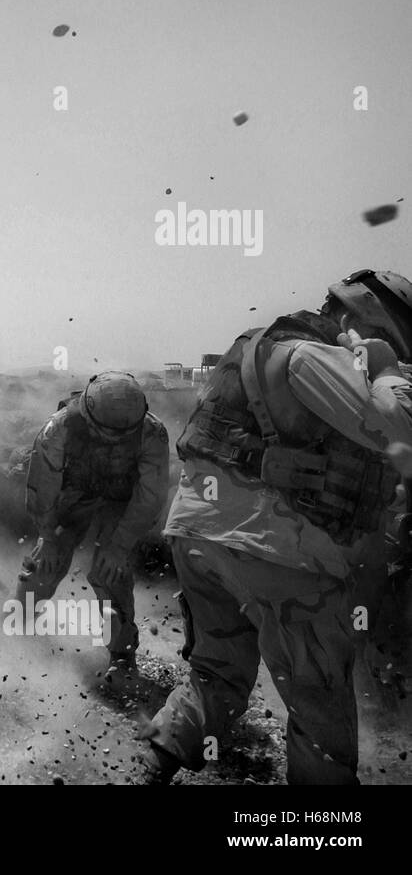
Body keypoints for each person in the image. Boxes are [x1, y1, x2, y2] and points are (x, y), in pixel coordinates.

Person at [138, 269, 412, 784]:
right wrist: (386, 365)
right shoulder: (317, 357)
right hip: (278, 550)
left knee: (215, 675)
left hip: (201, 537)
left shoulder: (259, 347)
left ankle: (154, 764)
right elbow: (403, 432)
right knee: (318, 705)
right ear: (361, 321)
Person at [20, 371, 171, 681]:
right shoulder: (59, 427)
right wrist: (47, 537)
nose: (112, 441)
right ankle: (18, 630)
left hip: (120, 502)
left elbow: (150, 497)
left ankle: (121, 656)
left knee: (111, 572)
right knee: (45, 565)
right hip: (74, 495)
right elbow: (41, 488)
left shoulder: (152, 434)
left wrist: (118, 546)